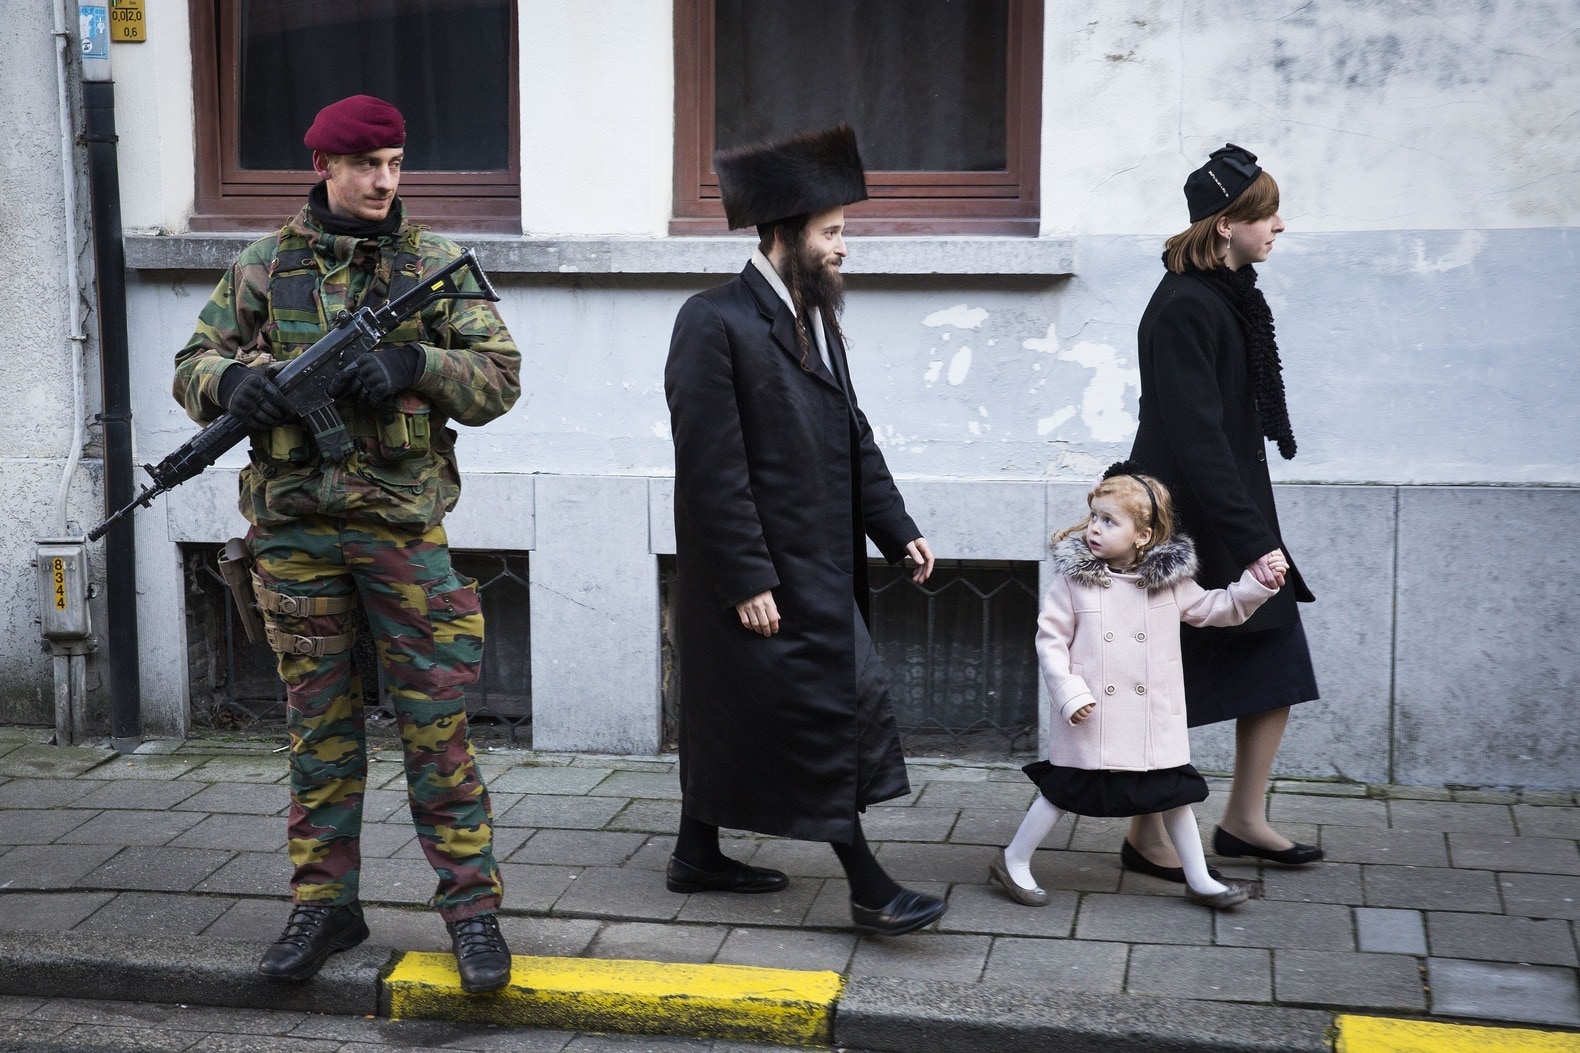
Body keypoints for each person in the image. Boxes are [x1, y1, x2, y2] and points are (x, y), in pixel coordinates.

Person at [171, 95, 521, 992]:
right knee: (316, 729)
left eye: (397, 163)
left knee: (435, 725)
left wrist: (417, 365)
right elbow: (191, 363)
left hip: (403, 531)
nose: (385, 181)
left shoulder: (431, 262)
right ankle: (326, 904)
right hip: (294, 533)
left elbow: (500, 379)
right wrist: (231, 386)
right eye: (368, 165)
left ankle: (472, 912)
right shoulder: (264, 267)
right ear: (323, 165)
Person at [663, 124, 947, 937]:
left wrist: (896, 528)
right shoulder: (711, 320)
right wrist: (747, 577)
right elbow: (710, 468)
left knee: (739, 713)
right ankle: (868, 885)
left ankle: (696, 853)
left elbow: (851, 431)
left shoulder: (813, 315)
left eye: (842, 233)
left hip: (823, 561)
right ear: (783, 235)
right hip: (764, 571)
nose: (843, 249)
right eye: (831, 234)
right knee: (822, 713)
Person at [1122, 143, 1323, 881]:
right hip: (1187, 524)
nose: (1277, 226)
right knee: (1172, 677)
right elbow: (1195, 439)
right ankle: (1147, 835)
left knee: (1275, 661)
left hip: (1227, 508)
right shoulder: (1182, 305)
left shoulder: (1231, 296)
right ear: (1225, 222)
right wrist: (1252, 542)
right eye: (1264, 213)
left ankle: (1243, 819)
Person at [992, 465, 1278, 910]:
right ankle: (1013, 860)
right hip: (1092, 713)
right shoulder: (1073, 581)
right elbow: (1050, 642)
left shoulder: (1169, 582)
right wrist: (1070, 692)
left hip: (1150, 718)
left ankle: (1199, 877)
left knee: (1174, 792)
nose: (1094, 529)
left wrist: (1255, 586)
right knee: (1063, 789)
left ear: (1142, 535)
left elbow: (1213, 608)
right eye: (1093, 517)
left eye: (1109, 521)